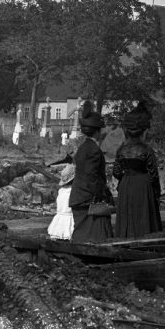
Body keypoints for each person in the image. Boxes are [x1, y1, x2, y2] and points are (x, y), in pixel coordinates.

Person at [113, 101, 162, 238]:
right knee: (144, 217)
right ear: (143, 131)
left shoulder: (121, 150)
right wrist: (156, 194)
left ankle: (125, 240)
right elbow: (154, 175)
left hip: (126, 185)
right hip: (143, 186)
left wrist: (126, 179)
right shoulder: (147, 150)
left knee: (127, 216)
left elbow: (116, 172)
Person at [69, 101, 114, 243]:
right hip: (87, 198)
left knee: (83, 234)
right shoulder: (94, 150)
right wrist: (103, 194)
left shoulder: (83, 147)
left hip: (80, 194)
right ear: (97, 131)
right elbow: (92, 177)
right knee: (92, 235)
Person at [47, 163, 75, 241]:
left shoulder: (61, 190)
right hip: (69, 215)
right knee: (69, 233)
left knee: (57, 233)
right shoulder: (72, 190)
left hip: (60, 216)